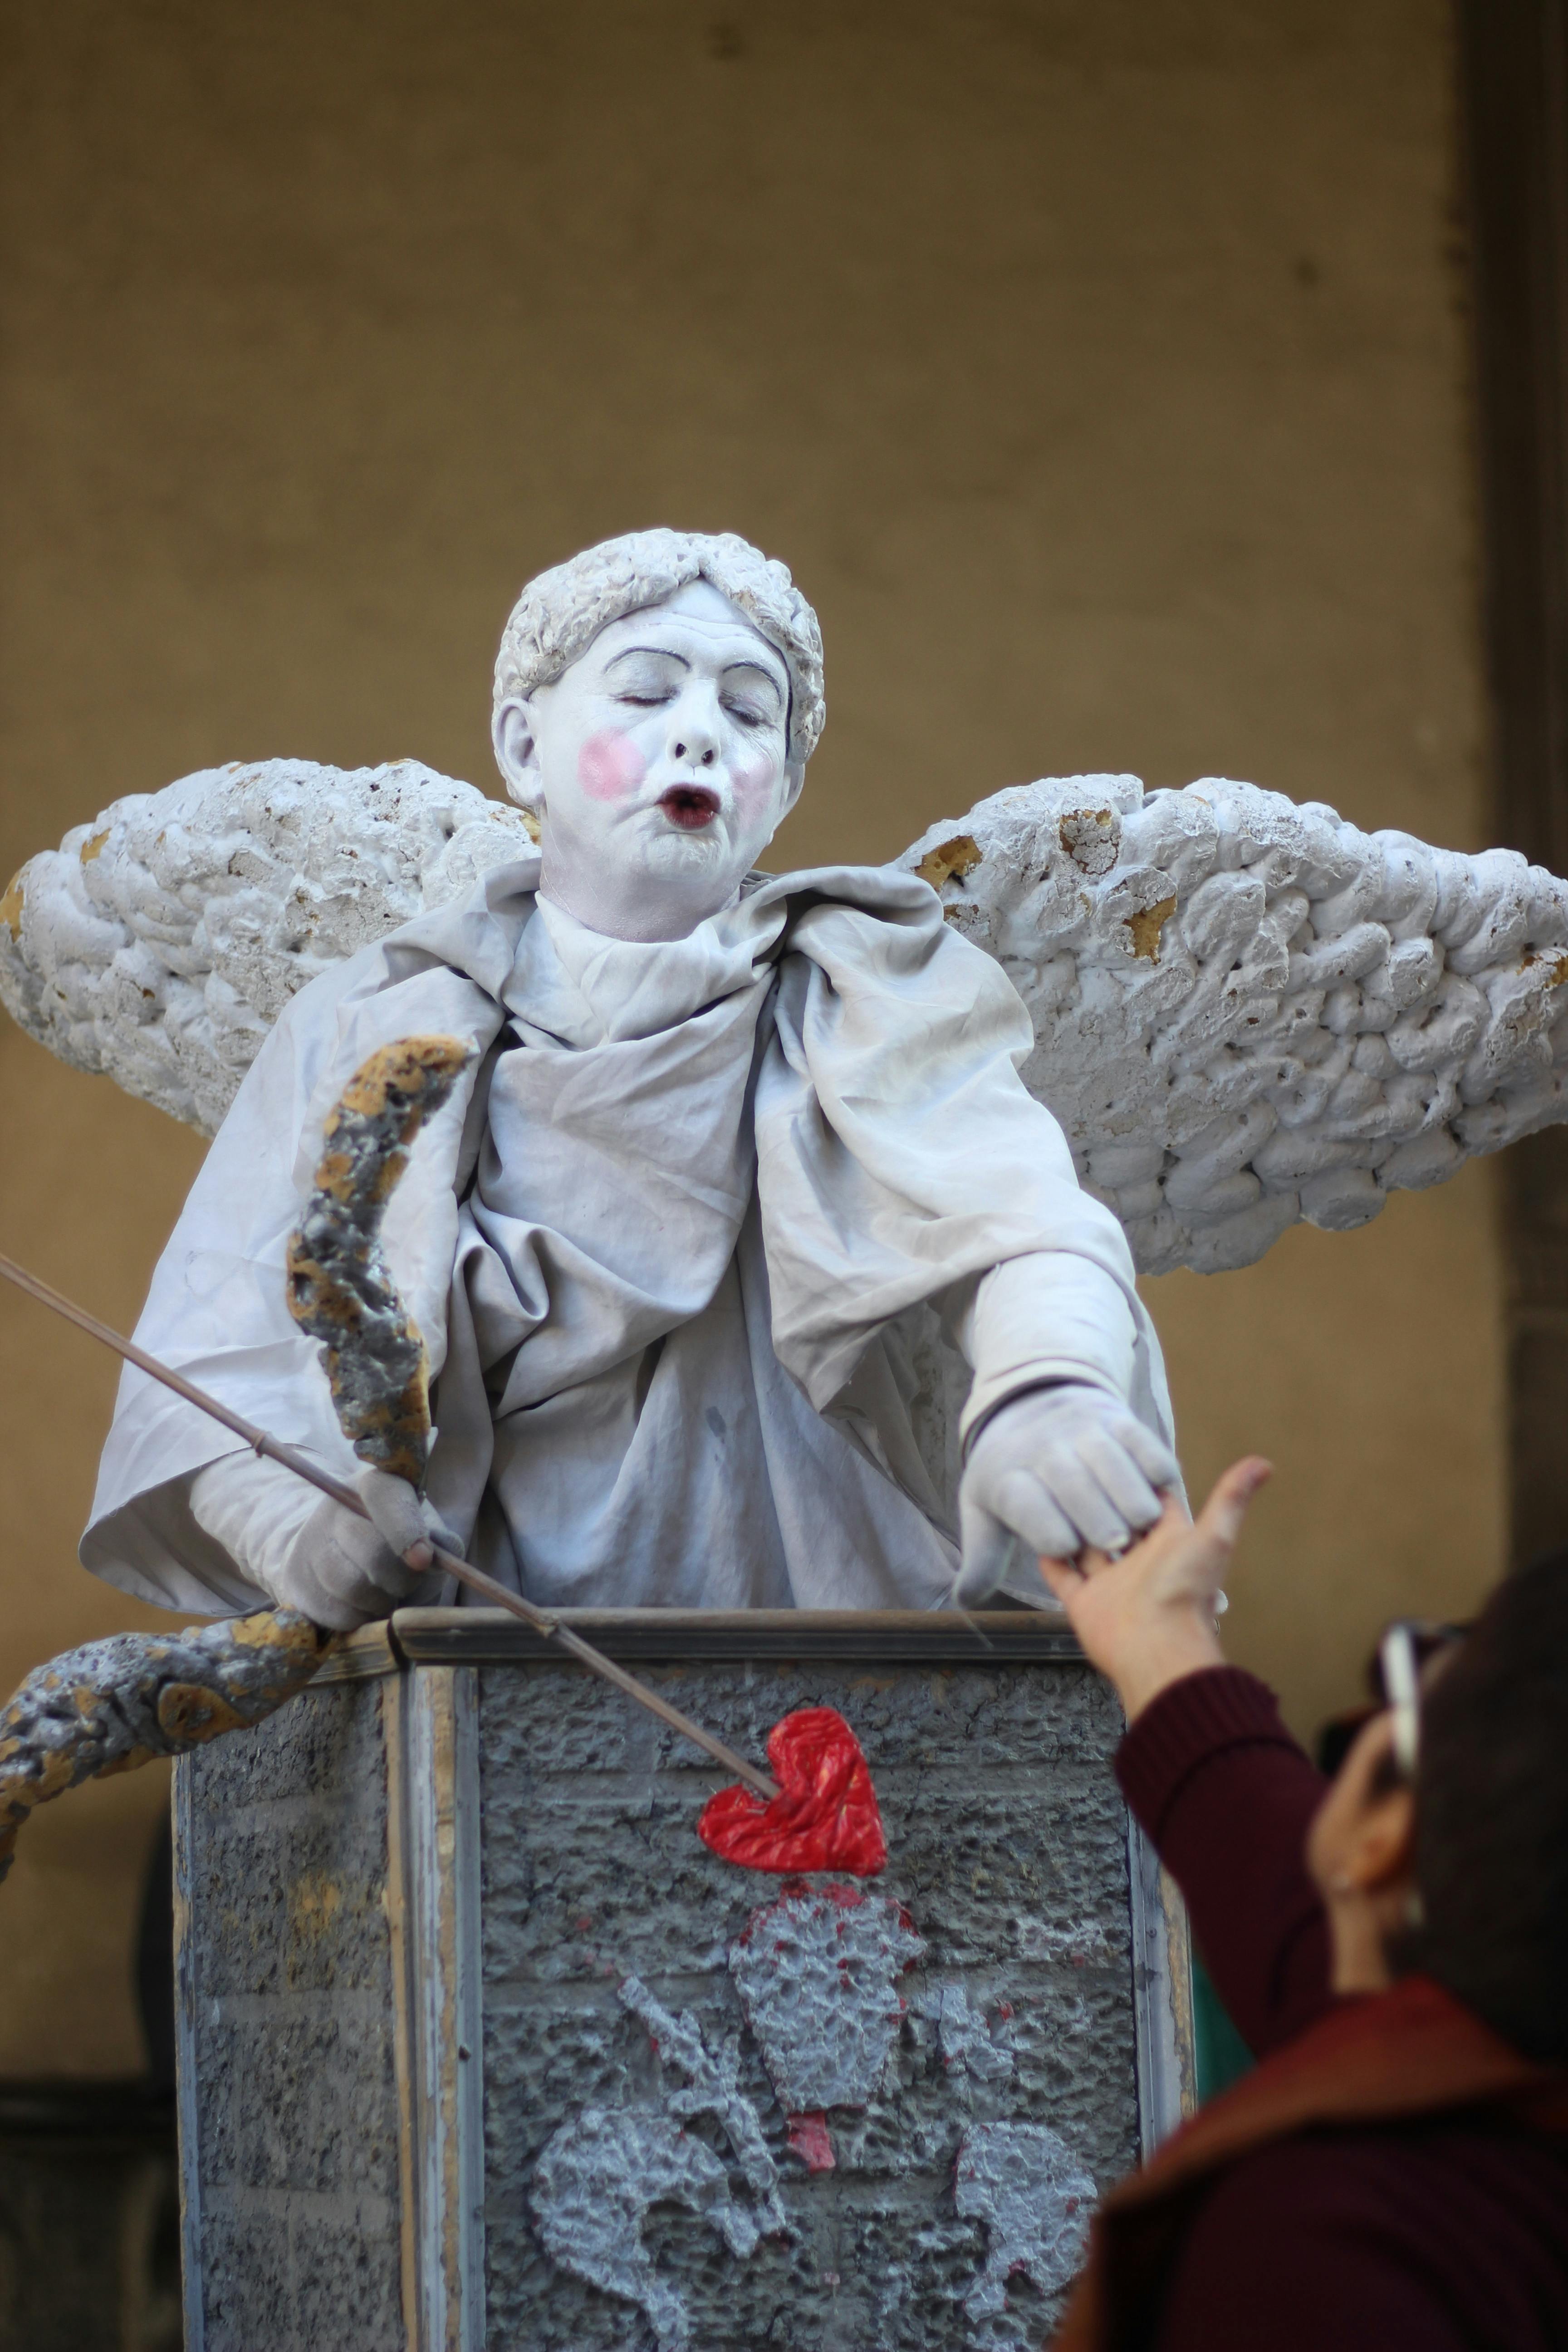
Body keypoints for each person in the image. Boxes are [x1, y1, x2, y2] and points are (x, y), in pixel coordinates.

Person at [81, 528, 1179, 1626]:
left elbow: (1024, 1222)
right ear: (523, 745)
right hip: (497, 1653)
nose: (698, 732)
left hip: (832, 1630)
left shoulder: (871, 985)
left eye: (749, 713)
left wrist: (1047, 1387)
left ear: (785, 784)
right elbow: (212, 1365)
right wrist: (300, 1538)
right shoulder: (365, 1021)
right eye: (646, 692)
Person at [1045, 1459, 1568, 2352]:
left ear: (1381, 1839)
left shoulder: (1324, 2247)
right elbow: (1291, 1909)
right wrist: (1160, 1639)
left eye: (1412, 1692)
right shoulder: (1482, 2043)